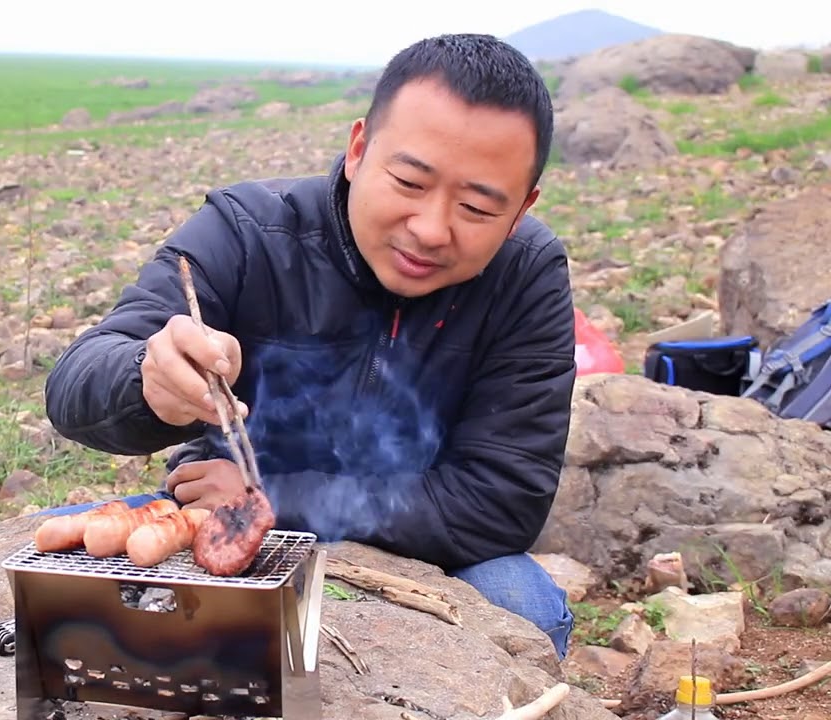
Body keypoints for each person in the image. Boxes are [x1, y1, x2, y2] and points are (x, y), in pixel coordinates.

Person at [41, 33, 577, 660]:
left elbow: (500, 502)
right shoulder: (247, 232)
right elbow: (74, 385)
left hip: (421, 546)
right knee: (65, 559)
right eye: (407, 181)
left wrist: (276, 494)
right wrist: (147, 381)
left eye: (476, 208)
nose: (431, 230)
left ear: (520, 211)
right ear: (357, 150)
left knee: (523, 605)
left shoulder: (526, 274)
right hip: (229, 525)